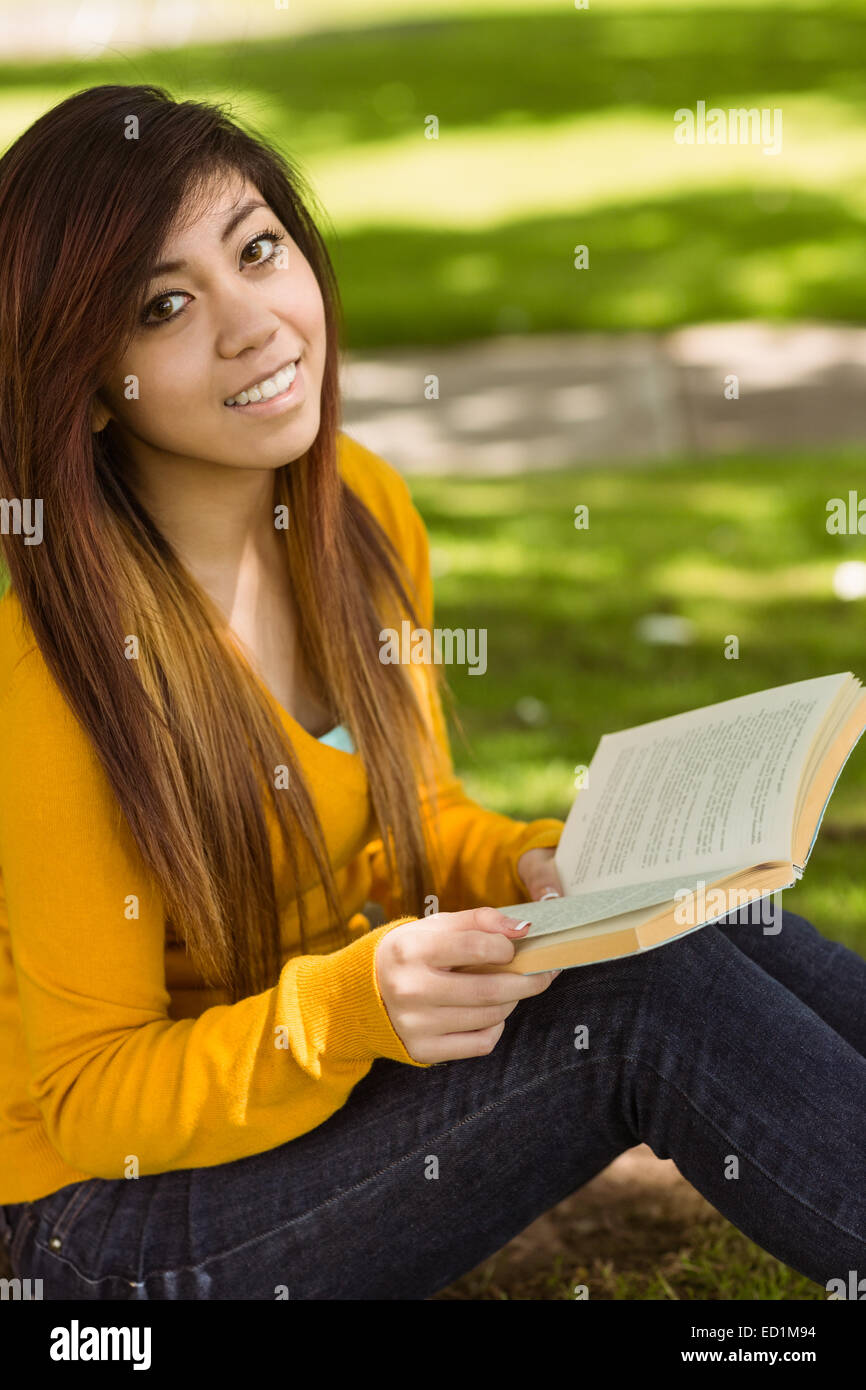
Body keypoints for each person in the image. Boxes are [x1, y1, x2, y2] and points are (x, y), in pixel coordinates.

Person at [0, 85, 863, 1302]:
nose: (253, 324)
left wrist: (533, 865)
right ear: (88, 388)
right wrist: (349, 1007)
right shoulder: (56, 676)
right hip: (104, 1229)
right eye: (164, 306)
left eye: (257, 249)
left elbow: (417, 816)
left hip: (288, 1124)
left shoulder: (353, 509)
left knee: (677, 917)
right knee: (630, 1003)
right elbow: (90, 1104)